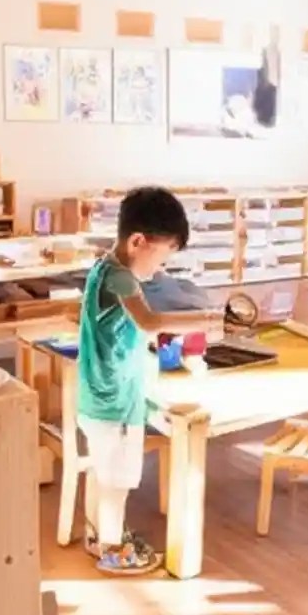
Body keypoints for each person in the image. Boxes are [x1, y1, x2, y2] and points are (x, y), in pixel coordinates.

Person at [78, 186, 222, 575]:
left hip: (97, 393)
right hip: (115, 398)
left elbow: (132, 328)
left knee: (104, 472)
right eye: (162, 255)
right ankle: (113, 549)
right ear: (137, 240)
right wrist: (208, 319)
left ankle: (100, 538)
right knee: (118, 481)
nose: (160, 268)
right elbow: (150, 321)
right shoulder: (123, 279)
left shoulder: (103, 267)